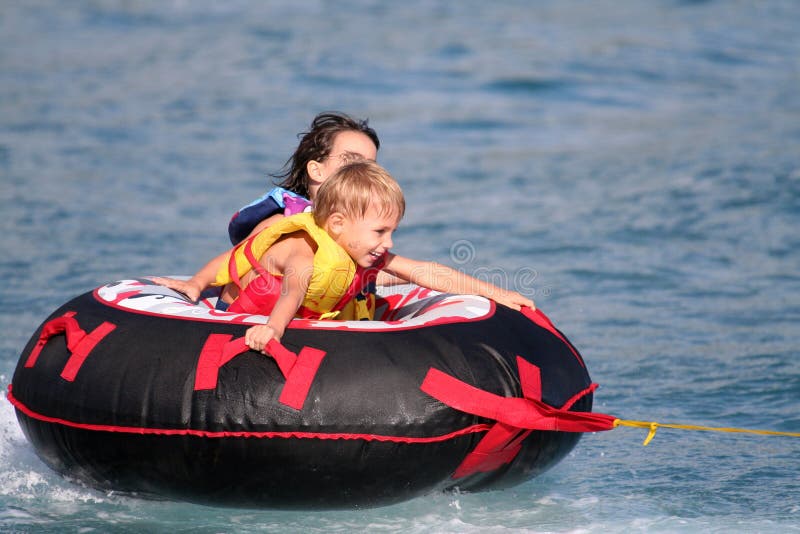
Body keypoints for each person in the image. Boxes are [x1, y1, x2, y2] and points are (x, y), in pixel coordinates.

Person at [155, 161, 535, 352]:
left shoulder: (361, 251)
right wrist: (196, 286)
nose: (387, 243)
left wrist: (498, 294)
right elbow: (288, 289)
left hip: (305, 324)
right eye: (379, 231)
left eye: (392, 232)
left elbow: (425, 272)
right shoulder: (303, 250)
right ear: (337, 223)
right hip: (241, 320)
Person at [152, 112, 382, 315]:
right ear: (316, 170)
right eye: (351, 163)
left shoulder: (361, 231)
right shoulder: (284, 222)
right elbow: (235, 258)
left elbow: (377, 270)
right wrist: (197, 283)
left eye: (370, 167)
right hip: (249, 318)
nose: (361, 174)